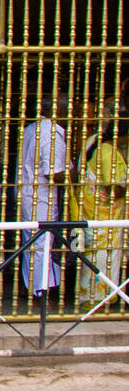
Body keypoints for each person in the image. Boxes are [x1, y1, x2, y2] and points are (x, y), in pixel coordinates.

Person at [72, 118, 127, 307]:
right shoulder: (108, 151)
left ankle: (87, 297)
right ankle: (100, 300)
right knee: (104, 257)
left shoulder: (91, 142)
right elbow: (114, 188)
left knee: (91, 255)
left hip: (90, 211)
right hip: (106, 217)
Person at [20, 98, 68, 297]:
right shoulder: (50, 133)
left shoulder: (33, 127)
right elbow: (52, 172)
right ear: (57, 109)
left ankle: (31, 285)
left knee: (31, 240)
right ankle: (41, 290)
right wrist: (75, 176)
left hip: (29, 192)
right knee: (42, 241)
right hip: (41, 196)